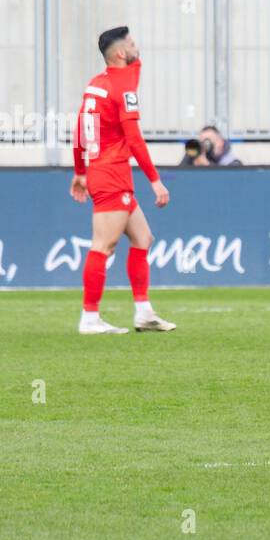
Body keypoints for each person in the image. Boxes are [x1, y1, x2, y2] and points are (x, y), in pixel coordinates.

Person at [69, 26, 176, 335]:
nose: (136, 46)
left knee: (143, 239)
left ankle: (143, 312)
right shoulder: (122, 89)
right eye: (131, 43)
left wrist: (79, 171)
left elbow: (79, 131)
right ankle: (89, 318)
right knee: (103, 245)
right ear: (119, 54)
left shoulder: (96, 84)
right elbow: (134, 139)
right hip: (112, 173)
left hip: (101, 172)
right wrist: (155, 180)